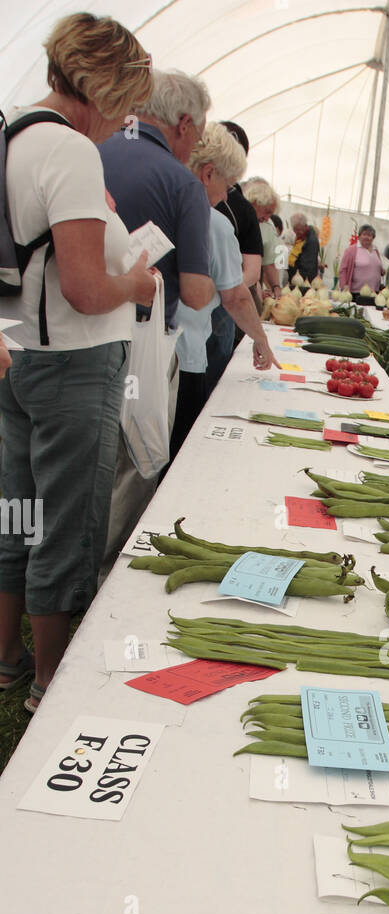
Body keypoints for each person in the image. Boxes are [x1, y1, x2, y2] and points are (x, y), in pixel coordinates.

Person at [0, 14, 157, 712]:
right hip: (73, 360)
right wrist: (140, 285)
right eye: (122, 103)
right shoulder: (69, 150)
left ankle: (5, 661)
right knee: (67, 523)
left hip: (17, 354)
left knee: (16, 513)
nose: (121, 122)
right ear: (100, 85)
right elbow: (89, 289)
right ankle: (50, 686)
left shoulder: (11, 132)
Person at [99, 69, 214, 571]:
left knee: (69, 470)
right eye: (200, 131)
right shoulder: (182, 183)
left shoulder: (94, 147)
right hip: (139, 347)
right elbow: (194, 292)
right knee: (133, 465)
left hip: (65, 337)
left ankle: (48, 587)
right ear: (184, 123)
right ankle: (105, 579)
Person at [170, 125, 279, 457]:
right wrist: (260, 340)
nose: (226, 194)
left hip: (145, 352)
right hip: (184, 356)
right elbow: (235, 296)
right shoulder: (213, 224)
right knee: (179, 450)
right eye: (227, 185)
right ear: (207, 175)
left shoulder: (161, 203)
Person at [206, 120, 263, 393]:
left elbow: (252, 271)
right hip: (215, 310)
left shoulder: (241, 209)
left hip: (217, 310)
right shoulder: (212, 218)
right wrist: (227, 289)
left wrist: (227, 284)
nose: (220, 196)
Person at [243, 179, 282, 299]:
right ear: (255, 202)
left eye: (271, 214)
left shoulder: (267, 226)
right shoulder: (235, 217)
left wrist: (275, 286)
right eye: (266, 212)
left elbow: (269, 263)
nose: (267, 218)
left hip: (250, 286)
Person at [338, 225, 384, 300]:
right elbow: (343, 270)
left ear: (373, 238)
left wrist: (382, 270)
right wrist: (344, 289)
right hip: (357, 293)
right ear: (359, 237)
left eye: (369, 235)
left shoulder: (376, 250)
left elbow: (377, 267)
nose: (366, 237)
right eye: (364, 234)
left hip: (374, 294)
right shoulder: (351, 250)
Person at [287, 212, 320, 284]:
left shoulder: (311, 241)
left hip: (302, 282)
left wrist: (296, 279)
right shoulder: (301, 236)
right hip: (294, 278)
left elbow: (307, 267)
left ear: (305, 226)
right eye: (295, 229)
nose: (297, 232)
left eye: (299, 229)